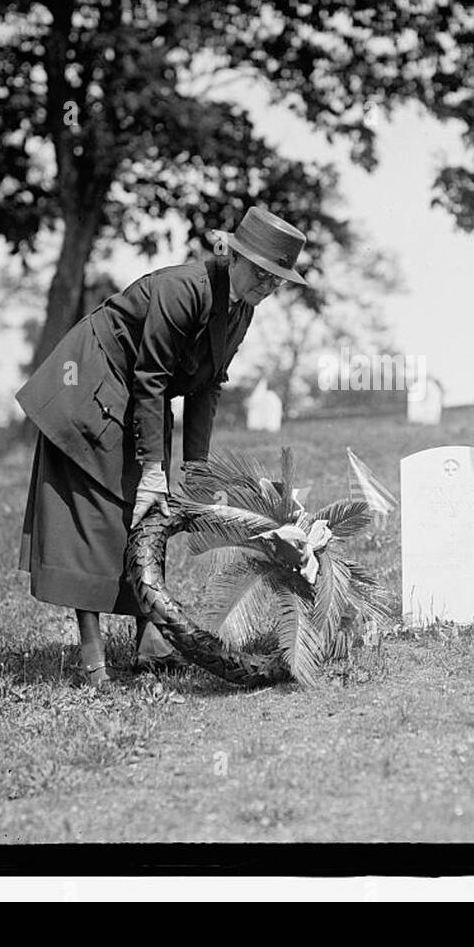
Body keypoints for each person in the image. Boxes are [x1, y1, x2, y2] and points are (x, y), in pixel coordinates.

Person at [16, 206, 307, 685]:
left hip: (137, 394)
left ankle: (150, 645)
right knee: (95, 514)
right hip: (88, 386)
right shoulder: (182, 288)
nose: (267, 284)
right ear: (234, 256)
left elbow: (206, 387)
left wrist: (196, 477)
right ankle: (93, 661)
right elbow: (152, 378)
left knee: (154, 509)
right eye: (260, 271)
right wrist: (155, 469)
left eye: (276, 278)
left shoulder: (242, 310)